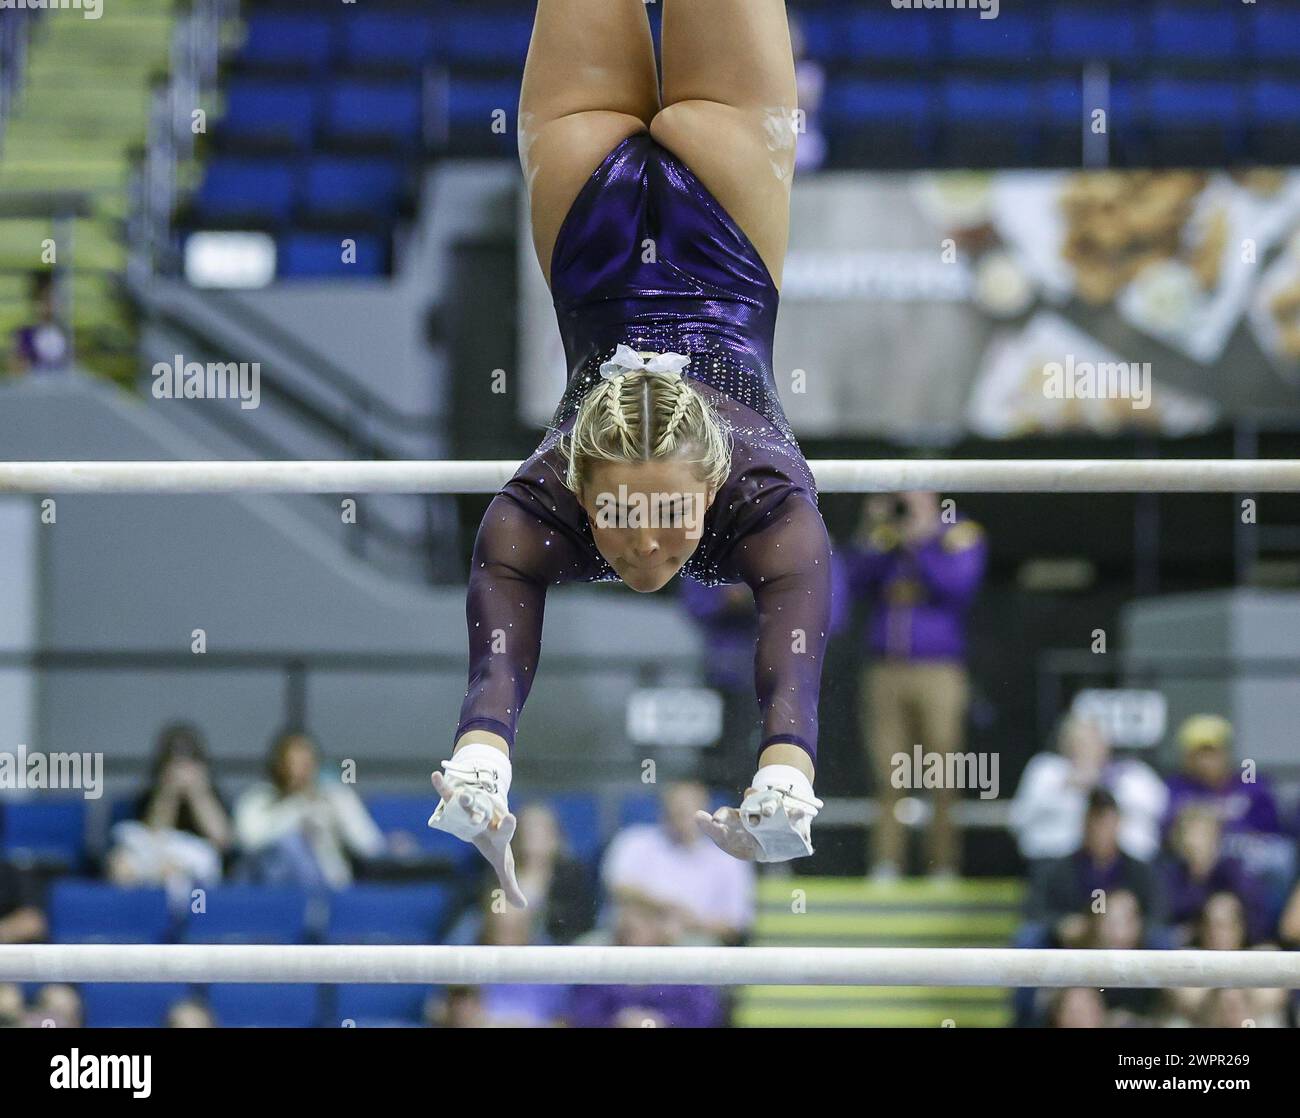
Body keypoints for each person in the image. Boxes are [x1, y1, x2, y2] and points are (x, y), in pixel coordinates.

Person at [430, 0, 834, 903]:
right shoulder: (768, 503)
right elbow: (795, 652)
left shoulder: (540, 506)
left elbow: (500, 648)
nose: (646, 545)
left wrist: (481, 750)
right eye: (630, 516)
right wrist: (786, 764)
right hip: (720, 195)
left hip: (587, 206)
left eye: (650, 517)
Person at [841, 490, 987, 878]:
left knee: (942, 770)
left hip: (939, 670)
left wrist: (921, 545)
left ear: (933, 495)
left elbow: (959, 588)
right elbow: (853, 582)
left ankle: (942, 864)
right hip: (885, 669)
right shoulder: (885, 535)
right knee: (887, 773)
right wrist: (871, 529)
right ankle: (887, 862)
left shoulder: (958, 533)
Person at [601, 781, 755, 946]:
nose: (682, 816)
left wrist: (688, 923)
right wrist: (664, 911)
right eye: (676, 809)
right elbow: (618, 886)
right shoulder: (635, 840)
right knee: (588, 944)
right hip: (630, 932)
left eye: (689, 810)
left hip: (693, 936)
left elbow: (736, 924)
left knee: (697, 949)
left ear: (706, 810)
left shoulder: (728, 856)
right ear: (664, 810)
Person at [1009, 714, 1167, 867]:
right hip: (1055, 863)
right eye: (1078, 741)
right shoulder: (1047, 770)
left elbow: (1159, 808)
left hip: (1125, 866)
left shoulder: (1132, 772)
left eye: (1092, 740)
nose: (1085, 747)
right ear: (1064, 743)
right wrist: (1063, 787)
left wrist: (1105, 785)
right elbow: (1018, 818)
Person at [234, 728, 384, 888]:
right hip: (272, 887)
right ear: (279, 765)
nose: (303, 768)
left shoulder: (334, 796)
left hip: (330, 888)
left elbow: (370, 845)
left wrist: (341, 804)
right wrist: (297, 808)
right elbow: (249, 842)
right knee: (290, 843)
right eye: (294, 761)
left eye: (307, 761)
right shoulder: (257, 799)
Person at [105, 722, 232, 900]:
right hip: (158, 855)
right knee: (121, 864)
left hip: (198, 860)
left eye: (189, 760)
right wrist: (168, 792)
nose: (181, 768)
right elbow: (154, 835)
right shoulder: (148, 796)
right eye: (174, 762)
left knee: (175, 872)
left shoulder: (214, 795)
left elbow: (222, 841)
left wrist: (198, 792)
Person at [7, 271, 71, 376]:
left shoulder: (68, 334)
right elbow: (16, 371)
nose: (52, 305)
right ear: (36, 302)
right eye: (46, 300)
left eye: (56, 300)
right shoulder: (24, 334)